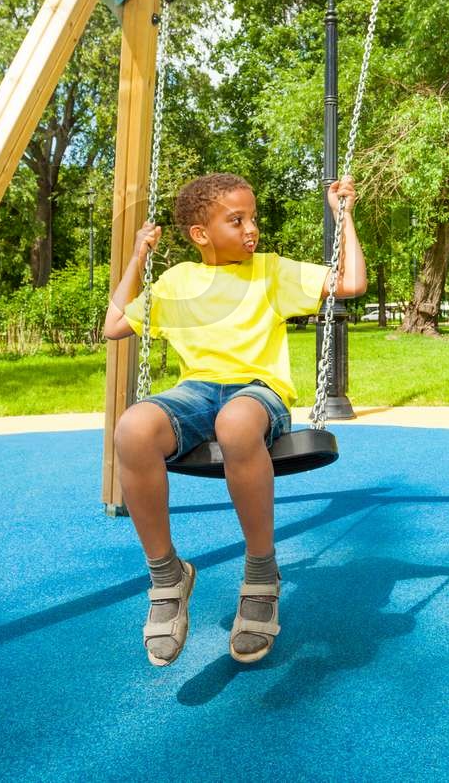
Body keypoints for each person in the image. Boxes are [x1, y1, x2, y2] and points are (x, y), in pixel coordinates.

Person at [103, 172, 367, 664]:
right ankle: (167, 575)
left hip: (257, 391)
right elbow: (114, 324)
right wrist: (139, 258)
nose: (252, 229)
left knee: (236, 423)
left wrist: (343, 215)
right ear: (199, 234)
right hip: (197, 392)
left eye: (253, 218)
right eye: (237, 220)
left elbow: (351, 282)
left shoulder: (271, 271)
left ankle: (261, 572)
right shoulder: (177, 281)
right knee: (133, 427)